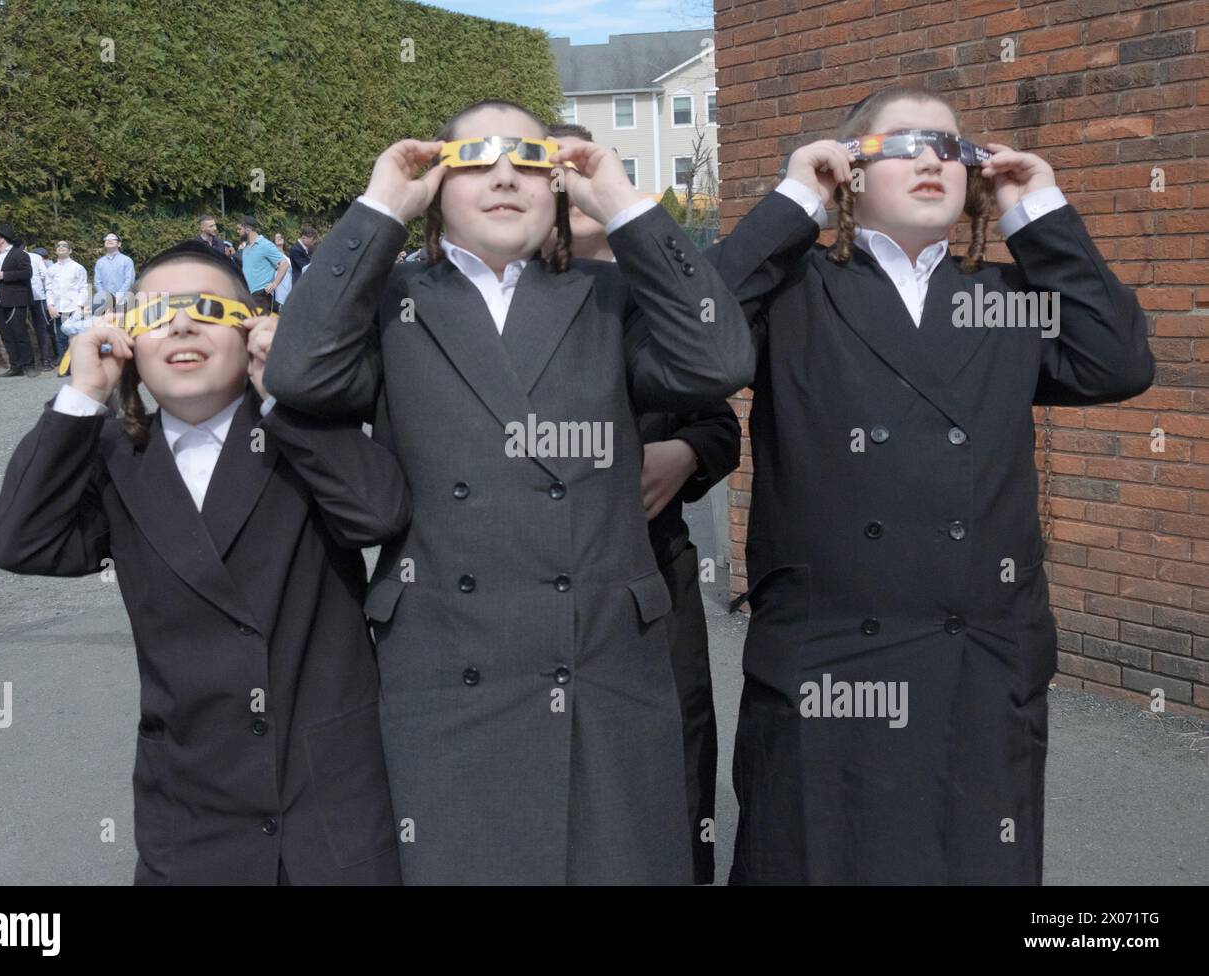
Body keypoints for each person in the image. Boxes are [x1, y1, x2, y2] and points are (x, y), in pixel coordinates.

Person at [264, 99, 753, 885]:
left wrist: (623, 203)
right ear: (436, 188)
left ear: (560, 188)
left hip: (601, 662)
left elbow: (721, 359)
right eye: (476, 160)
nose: (503, 175)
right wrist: (380, 206)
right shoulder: (390, 302)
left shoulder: (608, 296)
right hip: (446, 662)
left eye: (529, 161)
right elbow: (298, 373)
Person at [708, 85, 1155, 885]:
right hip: (833, 654)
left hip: (979, 656)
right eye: (903, 144)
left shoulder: (1002, 297)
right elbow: (691, 337)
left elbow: (1115, 363)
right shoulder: (794, 287)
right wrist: (793, 200)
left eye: (951, 147)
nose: (930, 160)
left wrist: (1036, 207)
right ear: (848, 171)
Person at [0, 241, 412, 885]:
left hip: (329, 799)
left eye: (208, 309)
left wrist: (286, 396)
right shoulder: (118, 456)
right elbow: (19, 541)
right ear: (126, 343)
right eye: (154, 314)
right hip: (193, 806)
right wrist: (81, 395)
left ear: (254, 333)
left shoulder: (300, 434)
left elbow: (378, 514)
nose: (181, 325)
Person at [543, 121, 738, 885]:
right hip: (542, 572)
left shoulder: (658, 295)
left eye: (593, 171)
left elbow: (721, 424)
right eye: (556, 176)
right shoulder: (504, 307)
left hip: (655, 566)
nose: (577, 189)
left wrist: (684, 454)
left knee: (677, 741)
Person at [0, 224, 37, 378]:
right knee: (6, 335)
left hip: (15, 300)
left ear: (1, 239)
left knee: (20, 333)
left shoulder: (19, 254)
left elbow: (27, 273)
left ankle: (29, 365)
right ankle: (16, 366)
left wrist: (4, 275)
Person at [45, 240, 89, 358]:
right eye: (58, 246)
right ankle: (64, 363)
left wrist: (80, 306)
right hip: (58, 309)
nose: (61, 247)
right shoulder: (51, 269)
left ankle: (79, 363)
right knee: (61, 337)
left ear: (70, 250)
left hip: (74, 308)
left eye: (64, 246)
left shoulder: (78, 268)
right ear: (55, 251)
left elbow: (83, 288)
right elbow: (48, 289)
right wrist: (50, 306)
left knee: (76, 337)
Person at [235, 216, 290, 312]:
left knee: (259, 326)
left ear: (247, 229)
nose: (237, 231)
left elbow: (284, 263)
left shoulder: (265, 245)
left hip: (261, 295)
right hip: (247, 295)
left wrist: (275, 284)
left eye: (239, 229)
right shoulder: (246, 247)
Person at [27, 245, 56, 371]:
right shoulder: (48, 264)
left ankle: (49, 357)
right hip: (42, 298)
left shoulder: (47, 265)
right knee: (47, 329)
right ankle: (50, 357)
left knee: (46, 329)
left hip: (42, 299)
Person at [93, 233, 135, 313]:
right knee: (102, 324)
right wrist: (104, 297)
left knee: (122, 324)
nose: (109, 240)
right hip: (104, 303)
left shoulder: (127, 260)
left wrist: (118, 296)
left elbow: (129, 280)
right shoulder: (100, 262)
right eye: (106, 238)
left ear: (119, 244)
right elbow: (97, 282)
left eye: (112, 238)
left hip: (123, 301)